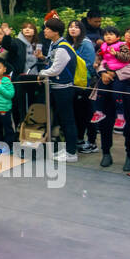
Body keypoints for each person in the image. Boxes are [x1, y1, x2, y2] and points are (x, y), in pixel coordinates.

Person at [97, 24, 130, 171]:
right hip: (108, 85)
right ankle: (106, 152)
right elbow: (102, 60)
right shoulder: (117, 45)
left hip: (128, 89)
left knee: (129, 124)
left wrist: (115, 73)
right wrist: (103, 73)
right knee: (105, 121)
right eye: (128, 32)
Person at [37, 18, 79, 161]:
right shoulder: (54, 44)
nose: (45, 31)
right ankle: (67, 149)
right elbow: (50, 62)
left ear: (55, 32)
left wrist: (42, 73)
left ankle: (71, 152)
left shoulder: (62, 47)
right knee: (63, 119)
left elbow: (55, 69)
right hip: (56, 87)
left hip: (64, 88)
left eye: (47, 29)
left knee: (68, 120)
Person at [66, 19, 98, 152]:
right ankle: (80, 139)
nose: (73, 29)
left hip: (85, 83)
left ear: (82, 29)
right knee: (78, 112)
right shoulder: (69, 43)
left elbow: (89, 64)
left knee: (87, 112)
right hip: (73, 82)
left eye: (76, 27)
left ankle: (91, 142)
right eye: (71, 27)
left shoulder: (86, 43)